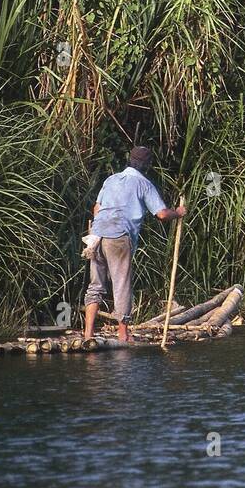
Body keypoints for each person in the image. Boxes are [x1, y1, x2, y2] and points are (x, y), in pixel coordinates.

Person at [82, 146, 186, 342]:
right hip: (119, 235)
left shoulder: (111, 179)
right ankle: (123, 335)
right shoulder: (143, 183)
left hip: (95, 235)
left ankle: (88, 334)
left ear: (130, 160)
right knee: (121, 284)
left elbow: (97, 207)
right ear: (147, 165)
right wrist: (178, 213)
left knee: (95, 285)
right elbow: (162, 214)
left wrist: (102, 225)